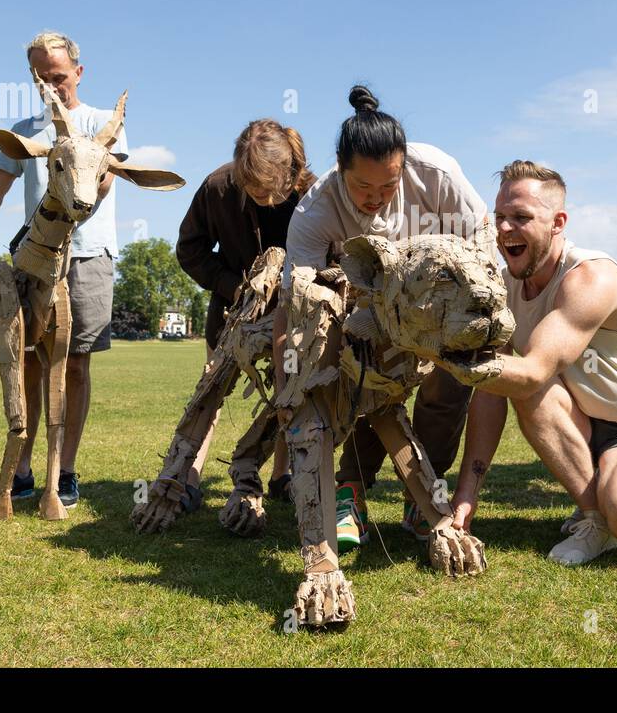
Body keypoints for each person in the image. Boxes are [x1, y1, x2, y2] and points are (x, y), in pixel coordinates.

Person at [277, 84, 488, 551]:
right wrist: (292, 372)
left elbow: (481, 249)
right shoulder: (316, 208)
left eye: (389, 185)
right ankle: (350, 489)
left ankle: (425, 491)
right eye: (362, 187)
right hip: (364, 308)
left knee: (446, 383)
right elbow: (301, 298)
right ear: (339, 169)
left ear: (405, 164)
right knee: (361, 379)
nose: (376, 198)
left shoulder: (438, 174)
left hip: (438, 307)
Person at [446, 161, 617, 566]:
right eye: (500, 217)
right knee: (513, 380)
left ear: (558, 222)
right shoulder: (502, 286)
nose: (505, 230)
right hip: (577, 421)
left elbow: (534, 371)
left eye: (521, 218)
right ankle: (594, 517)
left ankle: (611, 504)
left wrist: (437, 351)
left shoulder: (591, 278)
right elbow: (491, 389)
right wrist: (465, 496)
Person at [0, 31, 127, 509]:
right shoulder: (25, 131)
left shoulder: (104, 122)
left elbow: (101, 181)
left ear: (79, 73)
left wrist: (79, 181)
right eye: (42, 78)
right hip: (32, 265)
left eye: (59, 77)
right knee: (29, 365)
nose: (52, 86)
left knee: (75, 364)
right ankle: (20, 473)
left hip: (86, 258)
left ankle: (63, 476)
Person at [174, 119, 316, 509]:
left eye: (268, 189)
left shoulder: (313, 193)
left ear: (289, 173)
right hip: (230, 313)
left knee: (290, 393)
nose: (261, 196)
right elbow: (190, 249)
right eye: (251, 186)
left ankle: (282, 476)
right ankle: (187, 477)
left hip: (296, 317)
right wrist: (233, 287)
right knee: (210, 394)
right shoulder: (217, 186)